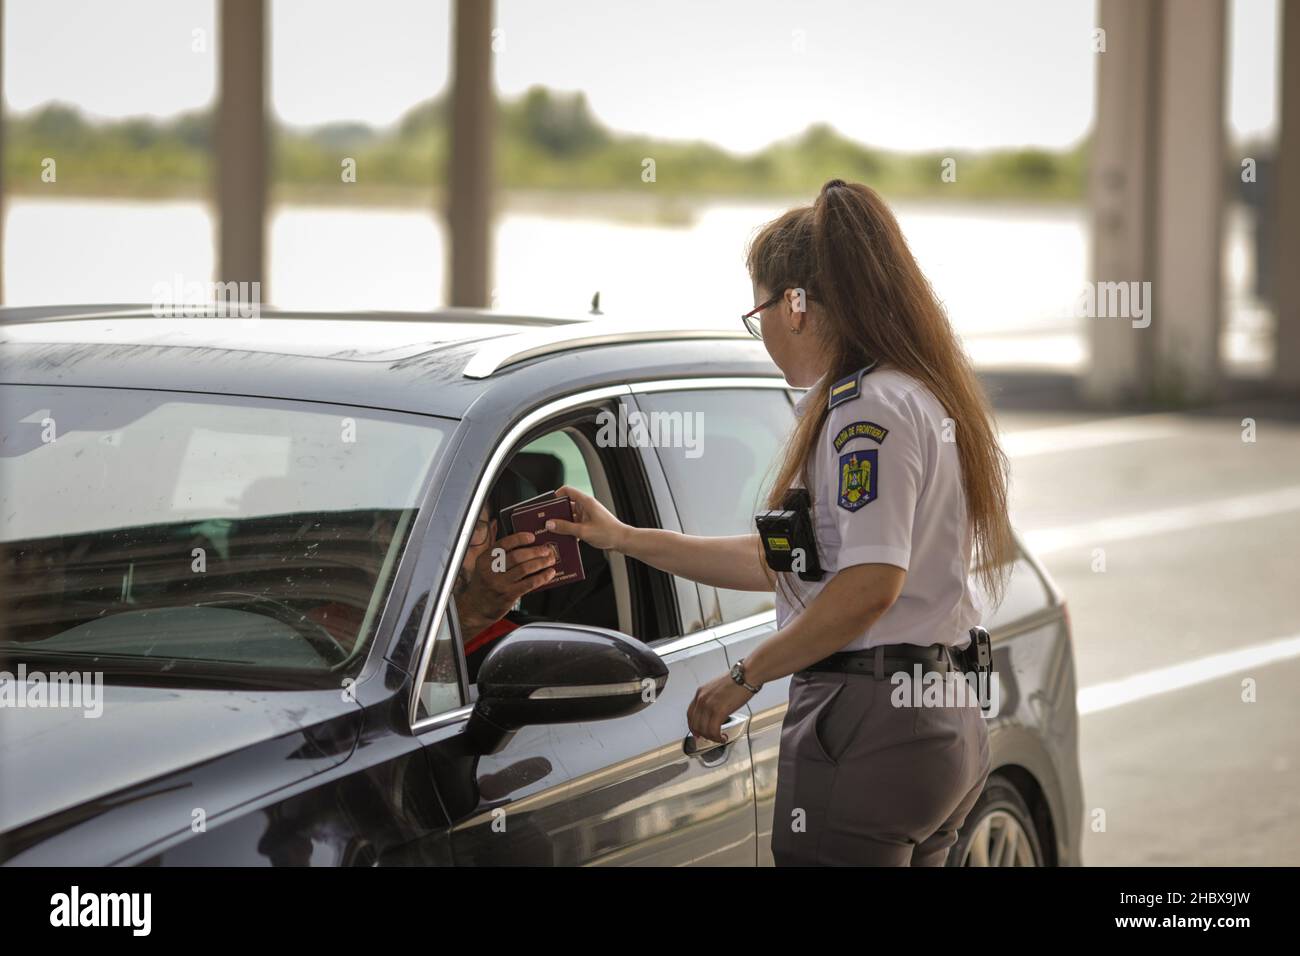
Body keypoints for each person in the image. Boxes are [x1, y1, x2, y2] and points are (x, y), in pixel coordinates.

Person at [545, 178, 1015, 866]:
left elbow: (870, 584)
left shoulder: (866, 413)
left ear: (795, 306)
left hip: (871, 723)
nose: (760, 327)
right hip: (935, 718)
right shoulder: (908, 393)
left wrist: (743, 676)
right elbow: (781, 566)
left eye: (757, 309)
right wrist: (624, 538)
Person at [453, 467, 560, 682]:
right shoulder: (371, 615)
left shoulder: (520, 647)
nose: (454, 549)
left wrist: (474, 616)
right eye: (432, 528)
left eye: (472, 528)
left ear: (492, 535)